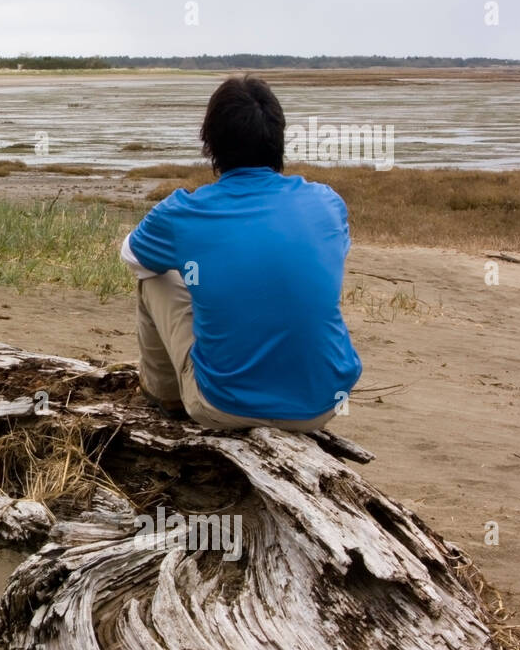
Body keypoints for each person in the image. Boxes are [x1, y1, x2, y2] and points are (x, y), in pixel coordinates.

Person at [121, 75, 362, 432]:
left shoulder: (184, 211)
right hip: (323, 404)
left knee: (155, 278)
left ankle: (165, 396)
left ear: (210, 144)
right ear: (278, 138)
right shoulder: (326, 202)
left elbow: (132, 256)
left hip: (223, 406)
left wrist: (195, 271)